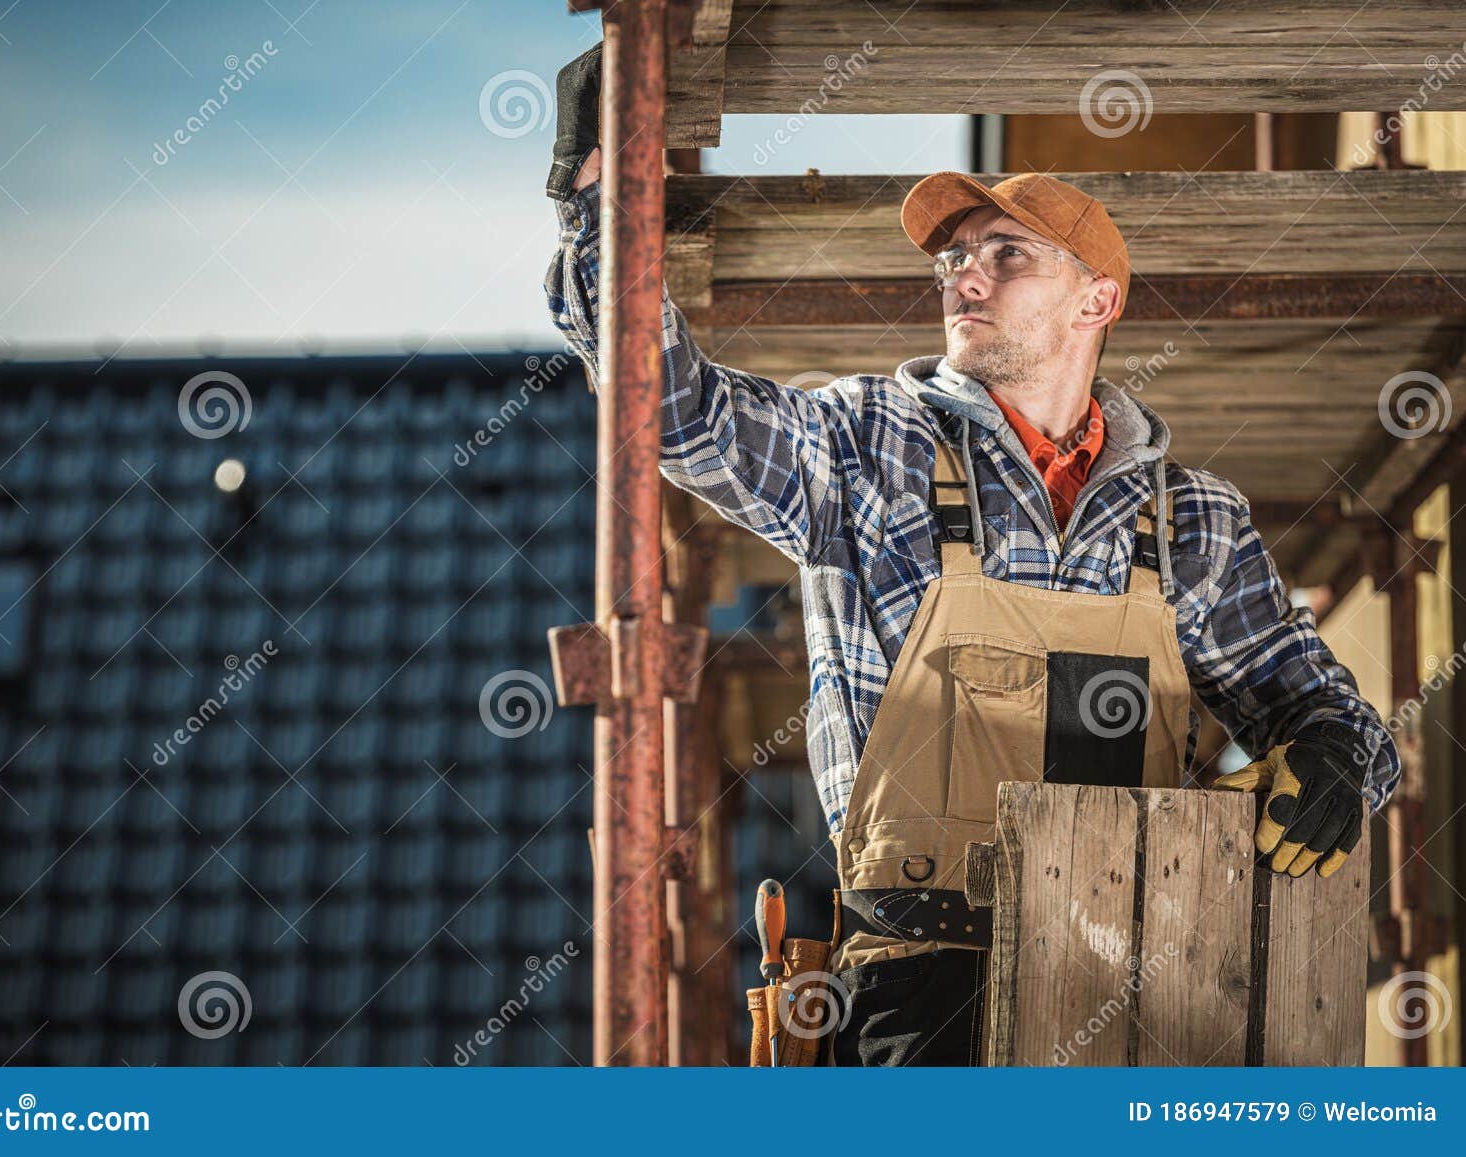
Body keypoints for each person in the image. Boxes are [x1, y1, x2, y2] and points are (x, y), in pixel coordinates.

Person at [543, 44, 1399, 1066]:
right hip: (917, 988)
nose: (963, 275)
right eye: (953, 256)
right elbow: (678, 413)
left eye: (1007, 254)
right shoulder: (864, 443)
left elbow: (1330, 718)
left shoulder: (1192, 522)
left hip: (1155, 987)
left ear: (1096, 303)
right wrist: (599, 213)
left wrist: (1338, 756)